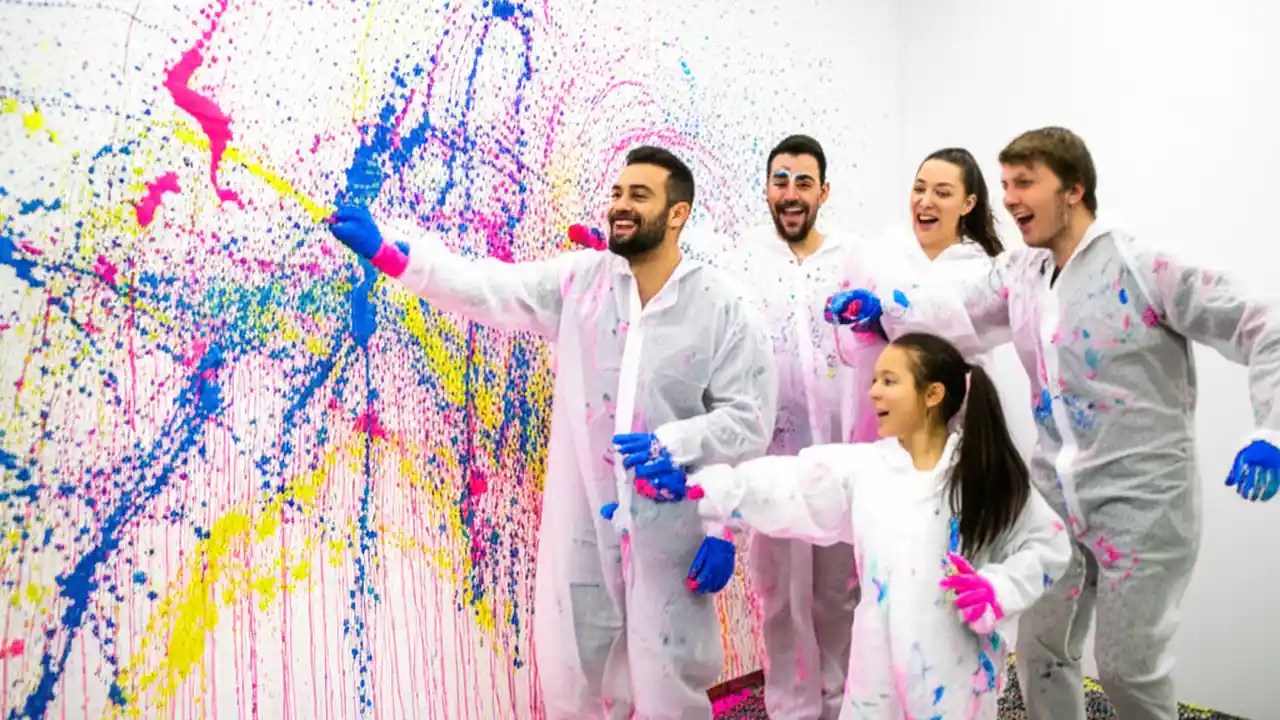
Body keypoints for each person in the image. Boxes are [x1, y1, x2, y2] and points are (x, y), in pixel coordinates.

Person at [826, 126, 1280, 720]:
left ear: (1073, 189)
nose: (1010, 198)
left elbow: (1262, 325)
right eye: (1006, 184)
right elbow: (957, 309)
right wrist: (882, 312)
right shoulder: (1023, 272)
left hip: (1144, 502)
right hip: (1055, 499)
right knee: (1040, 652)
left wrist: (1271, 431)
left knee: (1127, 670)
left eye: (1025, 183)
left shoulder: (1143, 267)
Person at [326, 145, 780, 719]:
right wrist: (395, 255)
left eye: (639, 196)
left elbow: (747, 418)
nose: (620, 206)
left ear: (677, 213)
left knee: (670, 686)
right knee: (575, 679)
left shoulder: (721, 307)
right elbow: (489, 287)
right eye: (617, 193)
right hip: (583, 534)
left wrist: (714, 513)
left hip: (672, 532)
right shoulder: (582, 284)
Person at [680, 332, 1072, 719]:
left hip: (954, 678)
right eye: (874, 381)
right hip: (875, 680)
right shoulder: (869, 470)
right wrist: (706, 487)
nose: (874, 393)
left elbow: (1047, 545)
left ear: (933, 394)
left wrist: (998, 589)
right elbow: (788, 483)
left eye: (889, 381)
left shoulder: (981, 478)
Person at [722, 134, 860, 719]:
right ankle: (791, 710)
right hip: (770, 460)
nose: (791, 193)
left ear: (823, 192)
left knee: (838, 593)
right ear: (767, 189)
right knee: (780, 597)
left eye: (804, 182)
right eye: (781, 181)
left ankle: (840, 704)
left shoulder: (852, 260)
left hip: (842, 457)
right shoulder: (741, 262)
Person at [831, 148, 1035, 459]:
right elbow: (848, 349)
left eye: (942, 192)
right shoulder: (880, 256)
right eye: (919, 188)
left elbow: (952, 331)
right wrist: (854, 321)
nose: (925, 201)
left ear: (968, 204)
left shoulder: (981, 272)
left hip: (952, 419)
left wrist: (886, 316)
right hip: (883, 419)